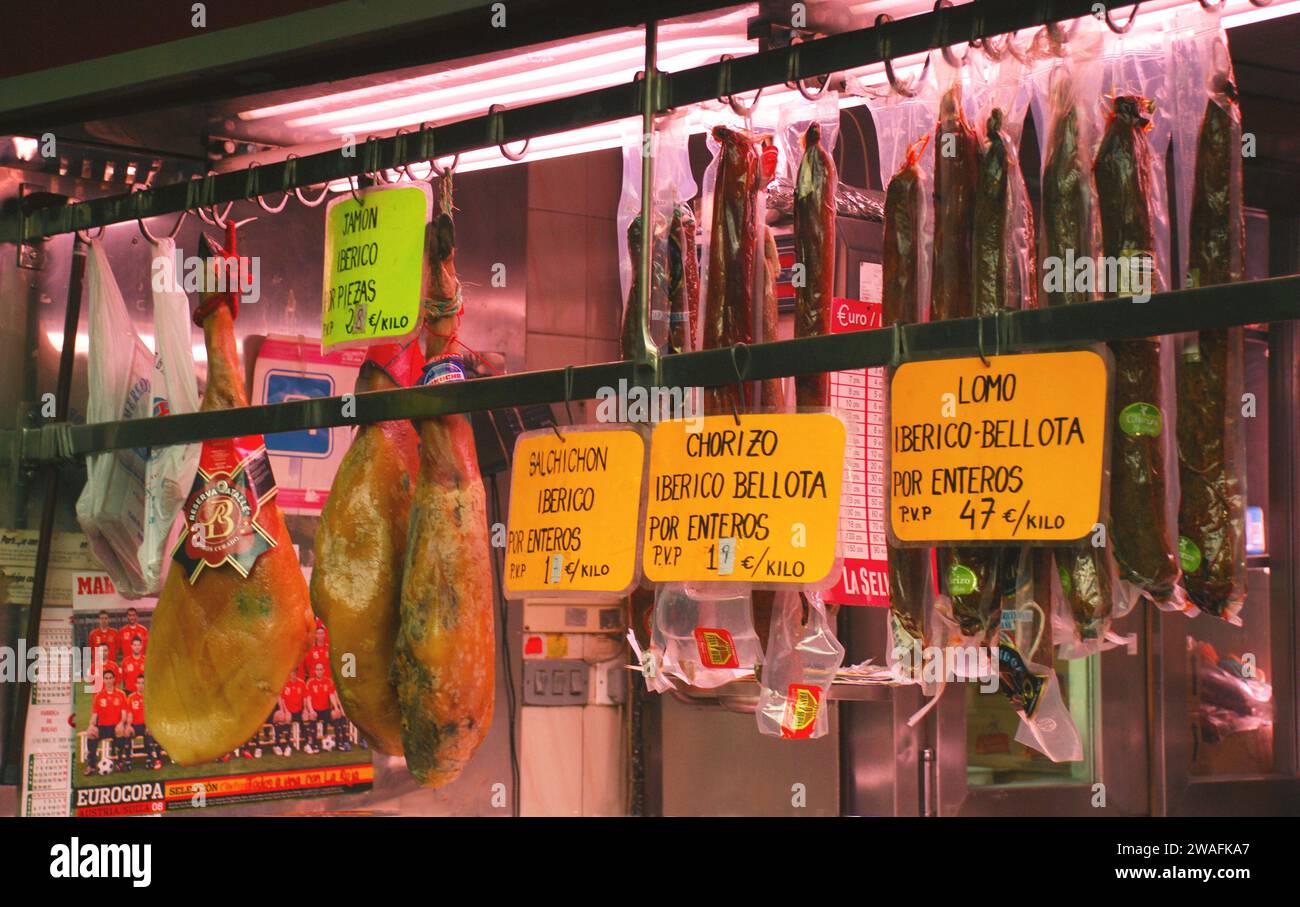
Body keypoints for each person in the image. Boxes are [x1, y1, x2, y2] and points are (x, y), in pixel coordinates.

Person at [86, 666, 127, 775]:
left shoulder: (121, 695)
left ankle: (119, 762)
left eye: (110, 678)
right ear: (103, 680)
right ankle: (91, 765)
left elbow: (124, 714)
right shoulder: (98, 696)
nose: (108, 680)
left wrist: (121, 723)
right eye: (106, 678)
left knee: (120, 731)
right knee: (91, 733)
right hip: (103, 727)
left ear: (114, 679)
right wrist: (91, 725)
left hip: (115, 726)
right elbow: (94, 715)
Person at [303, 661, 349, 753]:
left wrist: (336, 708)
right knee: (312, 716)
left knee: (336, 714)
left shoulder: (328, 681)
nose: (319, 671)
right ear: (315, 671)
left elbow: (331, 695)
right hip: (315, 710)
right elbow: (308, 698)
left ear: (323, 670)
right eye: (317, 670)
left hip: (325, 710)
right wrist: (311, 710)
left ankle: (339, 743)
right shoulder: (310, 682)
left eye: (321, 669)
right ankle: (314, 744)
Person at [122, 671, 162, 770]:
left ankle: (149, 759)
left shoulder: (150, 697)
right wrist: (128, 726)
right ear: (135, 684)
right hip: (135, 725)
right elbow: (130, 713)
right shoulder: (131, 697)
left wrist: (149, 726)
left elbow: (152, 714)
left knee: (150, 732)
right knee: (127, 732)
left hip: (146, 724)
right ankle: (128, 760)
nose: (141, 685)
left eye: (143, 683)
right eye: (139, 683)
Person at [274, 672, 307, 755]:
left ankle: (308, 744)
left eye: (294, 673)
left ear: (296, 674)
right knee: (285, 718)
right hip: (288, 711)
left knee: (307, 717)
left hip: (298, 711)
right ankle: (287, 745)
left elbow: (305, 698)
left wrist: (305, 710)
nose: (293, 675)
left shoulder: (301, 683)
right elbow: (282, 699)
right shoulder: (284, 683)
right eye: (291, 673)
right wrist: (286, 711)